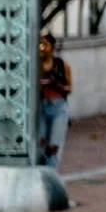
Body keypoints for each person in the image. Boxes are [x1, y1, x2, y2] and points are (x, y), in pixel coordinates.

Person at [38, 32, 72, 167]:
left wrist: (55, 83)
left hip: (57, 105)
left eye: (44, 44)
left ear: (51, 46)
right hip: (42, 105)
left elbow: (68, 88)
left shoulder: (61, 65)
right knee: (40, 145)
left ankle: (51, 174)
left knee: (54, 145)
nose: (42, 48)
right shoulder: (37, 66)